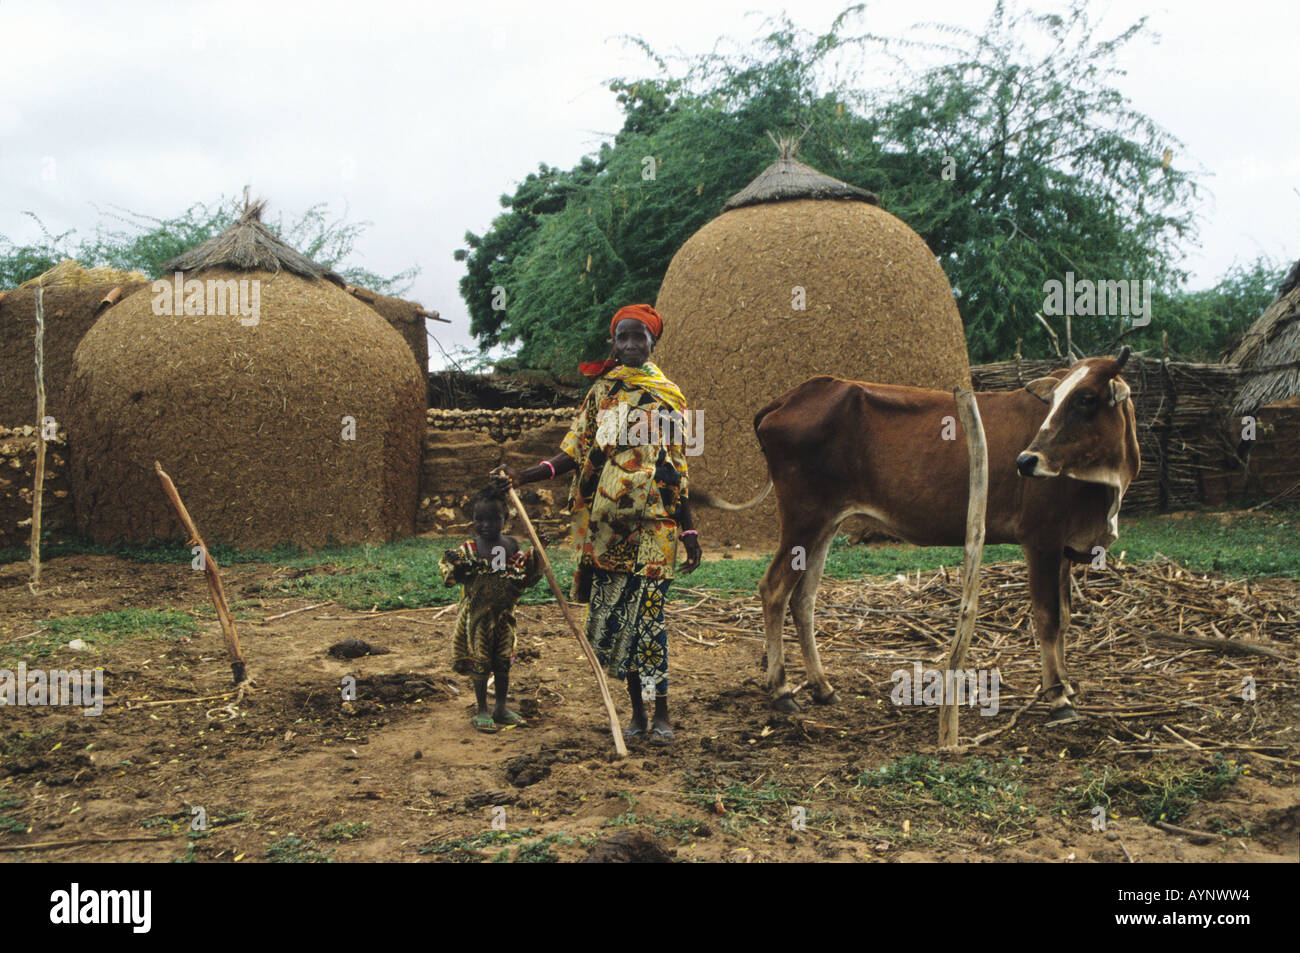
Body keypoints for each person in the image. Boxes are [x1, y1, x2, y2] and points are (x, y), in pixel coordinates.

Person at [497, 303, 700, 746]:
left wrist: (689, 531)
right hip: (607, 529)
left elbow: (678, 468)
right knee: (617, 622)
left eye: (637, 337)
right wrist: (524, 475)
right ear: (614, 342)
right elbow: (573, 453)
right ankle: (636, 715)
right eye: (621, 337)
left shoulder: (670, 396)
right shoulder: (601, 395)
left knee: (647, 621)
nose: (629, 345)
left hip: (655, 528)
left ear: (653, 342)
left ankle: (661, 714)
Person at [438, 484, 542, 733]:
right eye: (479, 519)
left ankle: (501, 708)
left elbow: (526, 575)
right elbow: (456, 577)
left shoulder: (511, 545)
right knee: (481, 662)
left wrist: (539, 551)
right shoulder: (469, 549)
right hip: (478, 617)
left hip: (504, 616)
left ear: (505, 519)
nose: (485, 525)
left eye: (492, 519)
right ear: (473, 520)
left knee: (503, 663)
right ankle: (482, 708)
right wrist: (456, 564)